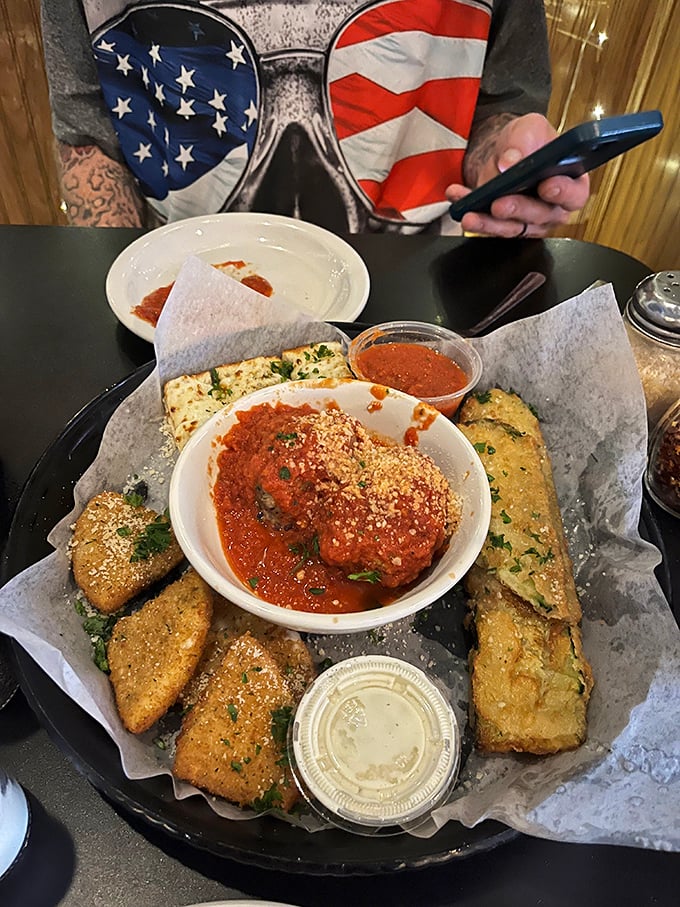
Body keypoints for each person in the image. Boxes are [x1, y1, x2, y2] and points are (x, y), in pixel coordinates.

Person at [40, 0, 589, 237]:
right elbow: (90, 139)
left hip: (412, 288)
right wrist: (138, 302)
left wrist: (506, 159)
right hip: (181, 277)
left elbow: (497, 104)